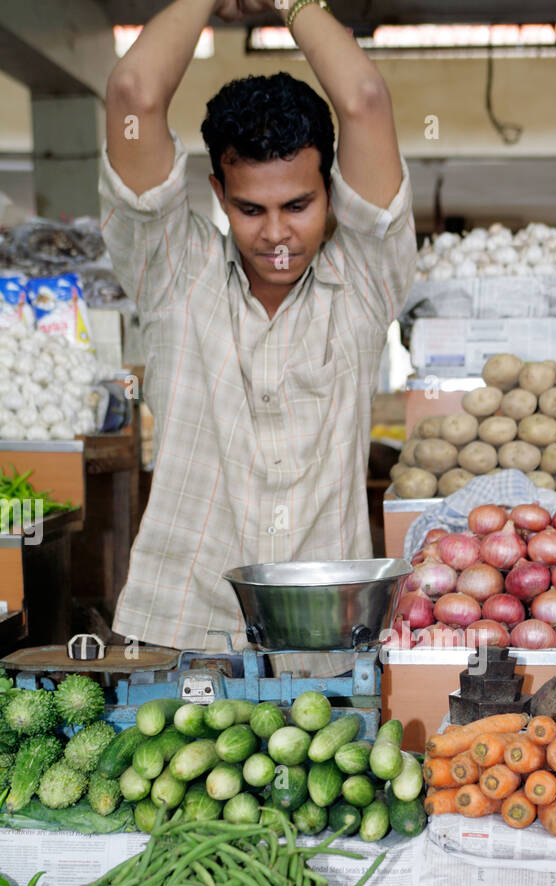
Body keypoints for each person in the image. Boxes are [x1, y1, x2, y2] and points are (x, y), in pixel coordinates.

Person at [100, 0, 416, 675]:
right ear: (216, 192)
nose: (276, 234)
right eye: (250, 209)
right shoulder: (172, 276)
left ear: (331, 192)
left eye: (297, 205)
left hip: (328, 649)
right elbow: (133, 94)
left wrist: (294, 4)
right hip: (178, 636)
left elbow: (362, 100)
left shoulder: (366, 282)